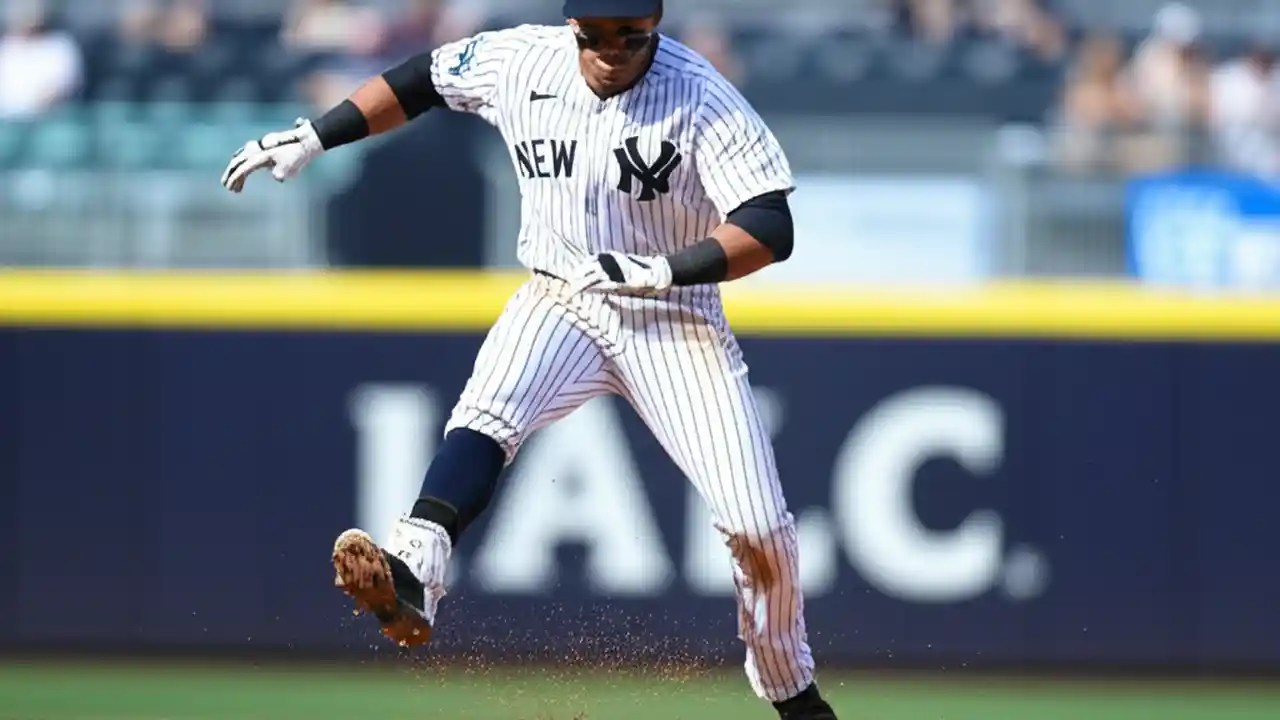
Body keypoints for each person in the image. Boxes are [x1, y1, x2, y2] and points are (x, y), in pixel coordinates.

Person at [220, 1, 837, 717]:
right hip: (562, 292)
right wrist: (316, 135)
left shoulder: (702, 97)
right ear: (573, 25)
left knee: (758, 528)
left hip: (674, 318)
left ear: (655, 26)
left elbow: (769, 224)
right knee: (488, 414)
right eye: (595, 35)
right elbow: (421, 80)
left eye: (630, 36)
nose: (611, 50)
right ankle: (415, 566)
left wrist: (665, 269)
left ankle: (792, 693)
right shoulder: (520, 59)